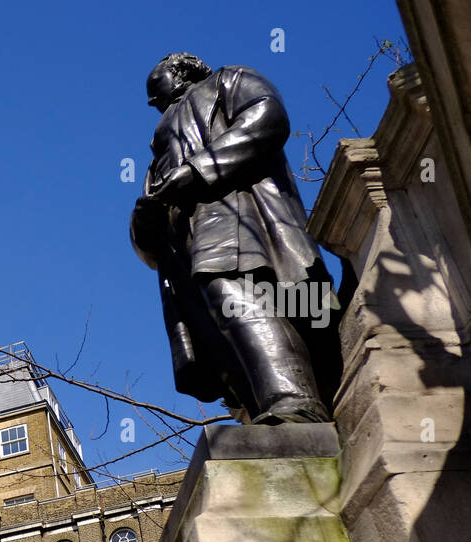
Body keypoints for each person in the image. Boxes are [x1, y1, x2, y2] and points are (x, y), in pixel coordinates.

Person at [131, 52, 342, 424]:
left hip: (235, 213)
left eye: (156, 85)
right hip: (186, 251)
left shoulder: (228, 79)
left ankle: (295, 405)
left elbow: (268, 116)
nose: (151, 100)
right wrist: (145, 222)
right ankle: (268, 409)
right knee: (220, 330)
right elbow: (147, 237)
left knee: (236, 293)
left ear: (181, 72)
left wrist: (198, 170)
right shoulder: (157, 154)